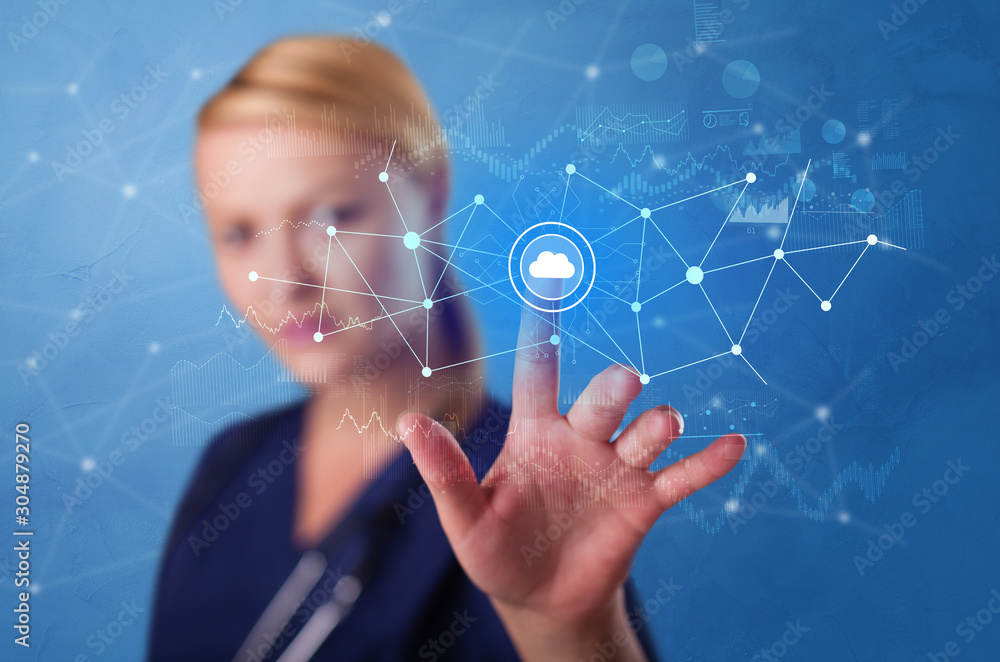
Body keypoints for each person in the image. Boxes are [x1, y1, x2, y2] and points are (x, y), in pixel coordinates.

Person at [148, 36, 747, 661]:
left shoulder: (535, 490)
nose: (285, 279)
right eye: (239, 233)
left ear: (429, 191)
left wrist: (566, 631)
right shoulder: (235, 459)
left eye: (328, 215)